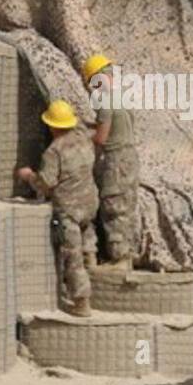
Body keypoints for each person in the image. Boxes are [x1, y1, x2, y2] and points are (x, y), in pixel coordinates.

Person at [16, 99, 98, 317]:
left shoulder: (54, 152)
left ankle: (82, 302)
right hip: (90, 203)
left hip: (70, 208)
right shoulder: (84, 140)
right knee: (87, 241)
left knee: (72, 256)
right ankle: (94, 263)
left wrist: (29, 176)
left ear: (51, 126)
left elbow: (47, 183)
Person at [83, 54, 139, 268]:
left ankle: (120, 259)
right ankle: (126, 255)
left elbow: (101, 138)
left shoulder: (105, 101)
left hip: (116, 160)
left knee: (114, 206)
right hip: (130, 157)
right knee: (126, 205)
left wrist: (80, 135)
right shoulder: (122, 98)